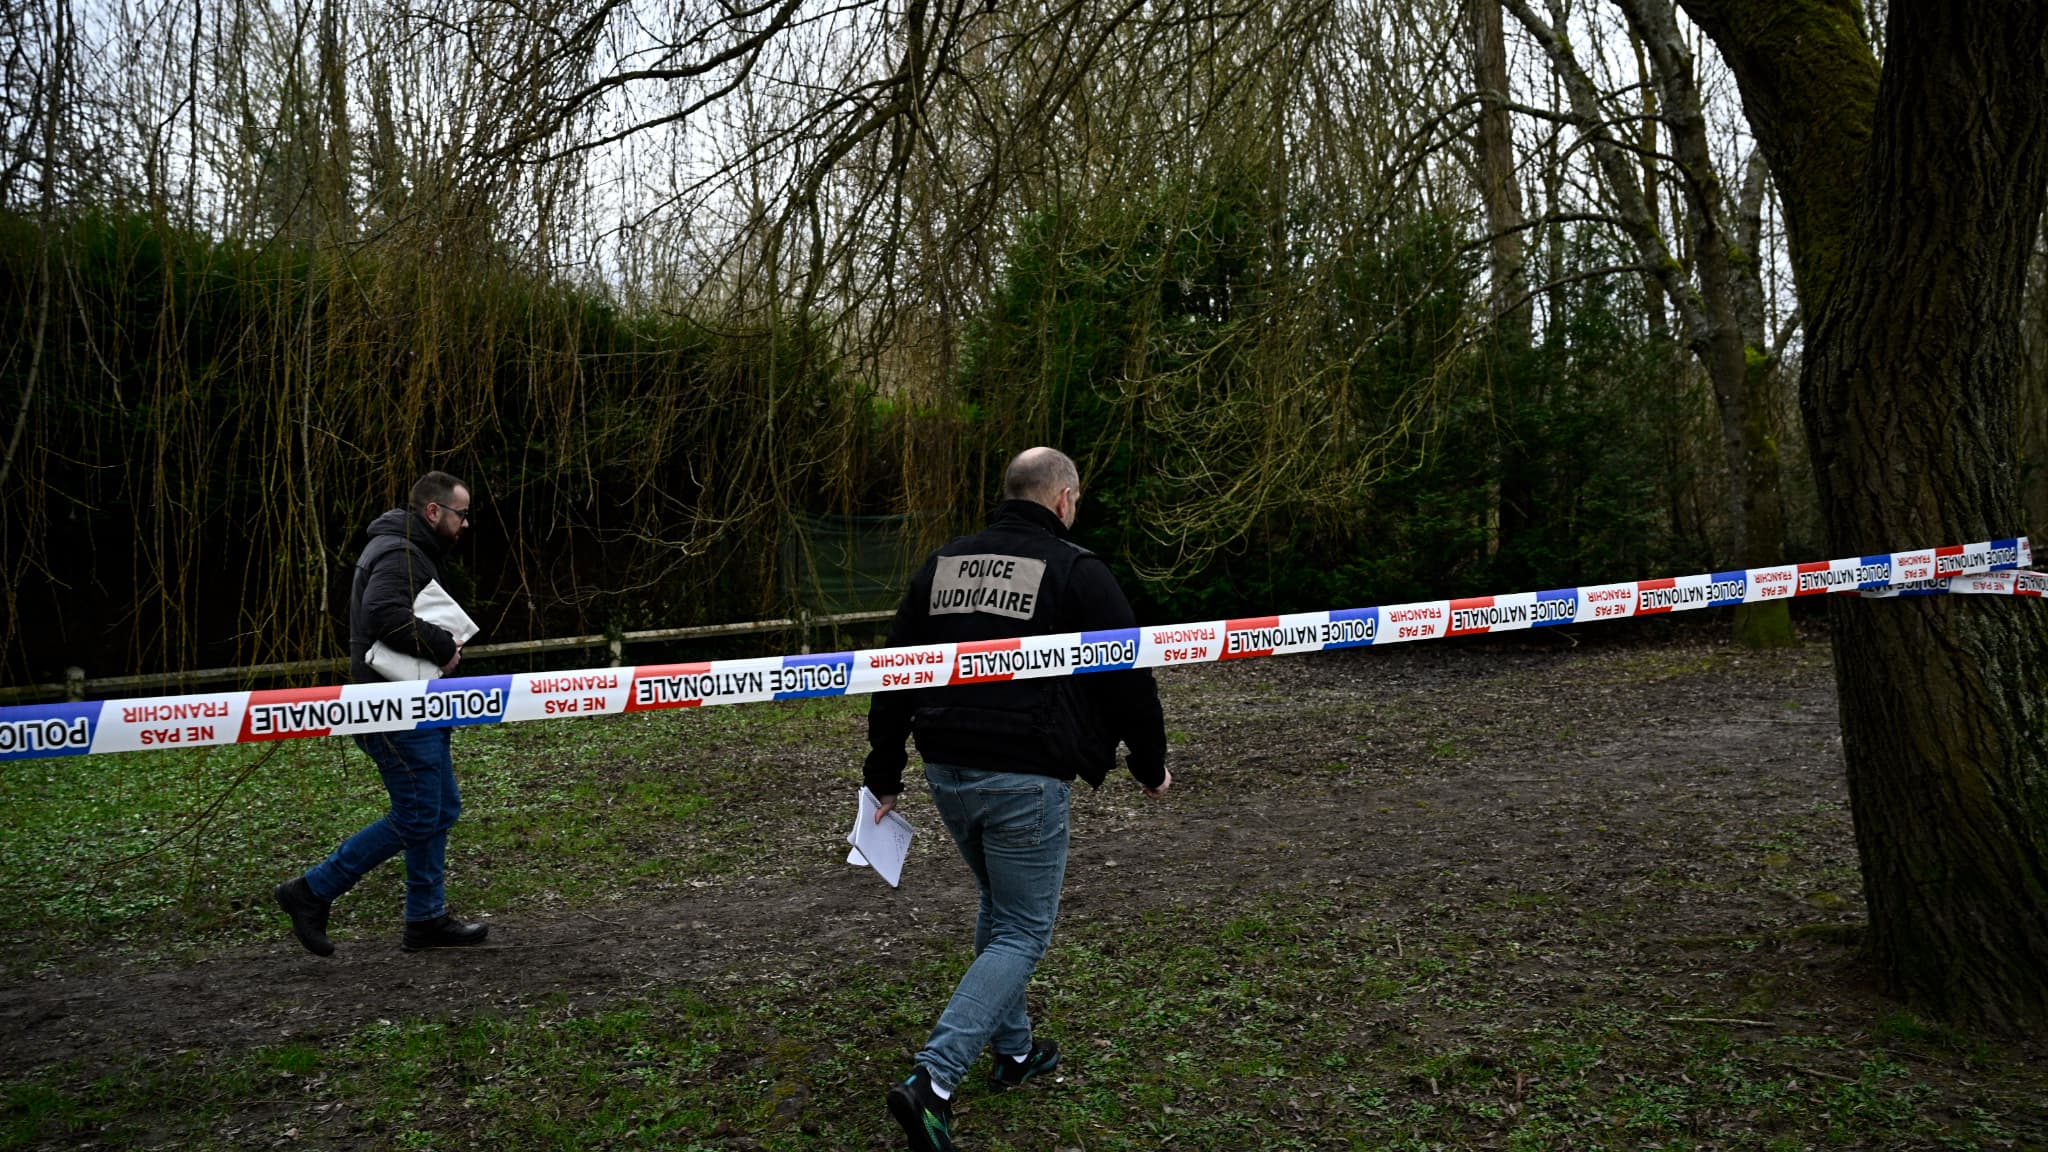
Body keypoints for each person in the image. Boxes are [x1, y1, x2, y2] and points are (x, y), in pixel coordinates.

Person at [867, 447, 1171, 1152]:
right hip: (1025, 777)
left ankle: (1015, 1051)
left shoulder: (942, 565)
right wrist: (1149, 762)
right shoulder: (1076, 569)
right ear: (1062, 498)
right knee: (1023, 931)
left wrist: (884, 769)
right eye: (1076, 501)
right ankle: (933, 1081)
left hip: (945, 769)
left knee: (999, 908)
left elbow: (892, 669)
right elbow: (1129, 671)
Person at [273, 470, 490, 956]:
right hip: (394, 709)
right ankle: (310, 891)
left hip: (413, 704)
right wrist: (444, 647)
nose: (465, 523)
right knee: (418, 813)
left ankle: (426, 918)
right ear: (433, 511)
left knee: (440, 808)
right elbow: (385, 615)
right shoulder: (400, 553)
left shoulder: (407, 549)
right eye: (461, 514)